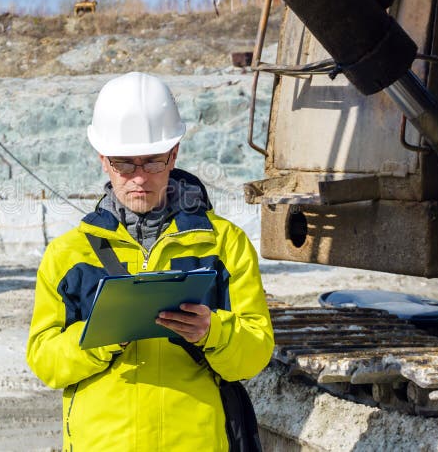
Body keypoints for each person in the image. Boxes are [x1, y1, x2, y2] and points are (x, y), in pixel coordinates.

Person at [26, 72, 273, 451]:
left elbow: (254, 354)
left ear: (173, 154)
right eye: (125, 164)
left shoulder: (225, 245)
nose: (139, 178)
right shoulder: (69, 254)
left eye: (153, 162)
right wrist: (99, 337)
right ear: (103, 160)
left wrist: (213, 332)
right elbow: (45, 361)